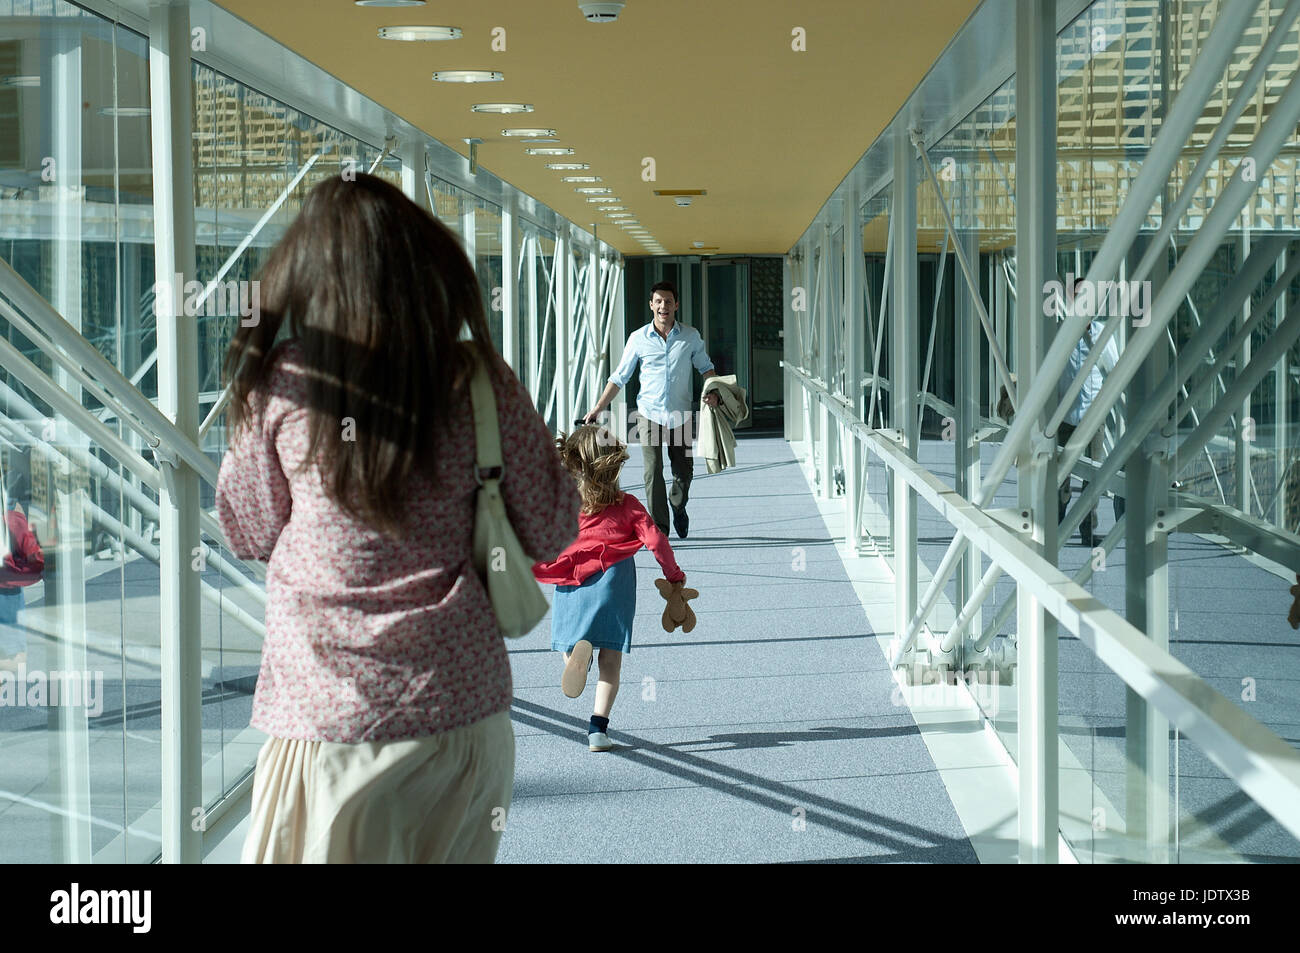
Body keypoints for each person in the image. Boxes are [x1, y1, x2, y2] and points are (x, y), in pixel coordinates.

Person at [215, 173, 580, 864]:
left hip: (328, 730)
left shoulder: (285, 385)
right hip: (464, 726)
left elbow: (247, 528)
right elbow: (554, 526)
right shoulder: (479, 381)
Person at [532, 425, 688, 752]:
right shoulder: (628, 504)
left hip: (574, 581)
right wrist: (673, 576)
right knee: (611, 663)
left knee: (570, 643)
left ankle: (576, 658)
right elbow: (657, 541)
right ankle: (597, 730)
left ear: (575, 465)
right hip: (614, 583)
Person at [583, 281, 720, 539]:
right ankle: (660, 531)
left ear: (676, 305)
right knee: (652, 470)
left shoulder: (690, 336)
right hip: (648, 415)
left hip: (680, 415)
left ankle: (678, 507)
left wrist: (713, 391)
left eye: (668, 301)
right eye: (658, 301)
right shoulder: (638, 339)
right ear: (651, 305)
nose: (663, 306)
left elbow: (706, 367)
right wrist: (599, 408)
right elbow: (619, 377)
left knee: (683, 471)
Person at [1057, 281, 1122, 547]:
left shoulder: (1102, 333)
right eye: (1078, 294)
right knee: (1060, 477)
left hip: (1093, 419)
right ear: (1070, 299)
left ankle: (1087, 531)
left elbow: (1116, 368)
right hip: (1063, 417)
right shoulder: (1059, 333)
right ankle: (1057, 524)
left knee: (1092, 478)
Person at [0, 490, 44, 672]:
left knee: (14, 655)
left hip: (6, 587)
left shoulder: (11, 516)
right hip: (6, 584)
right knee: (14, 655)